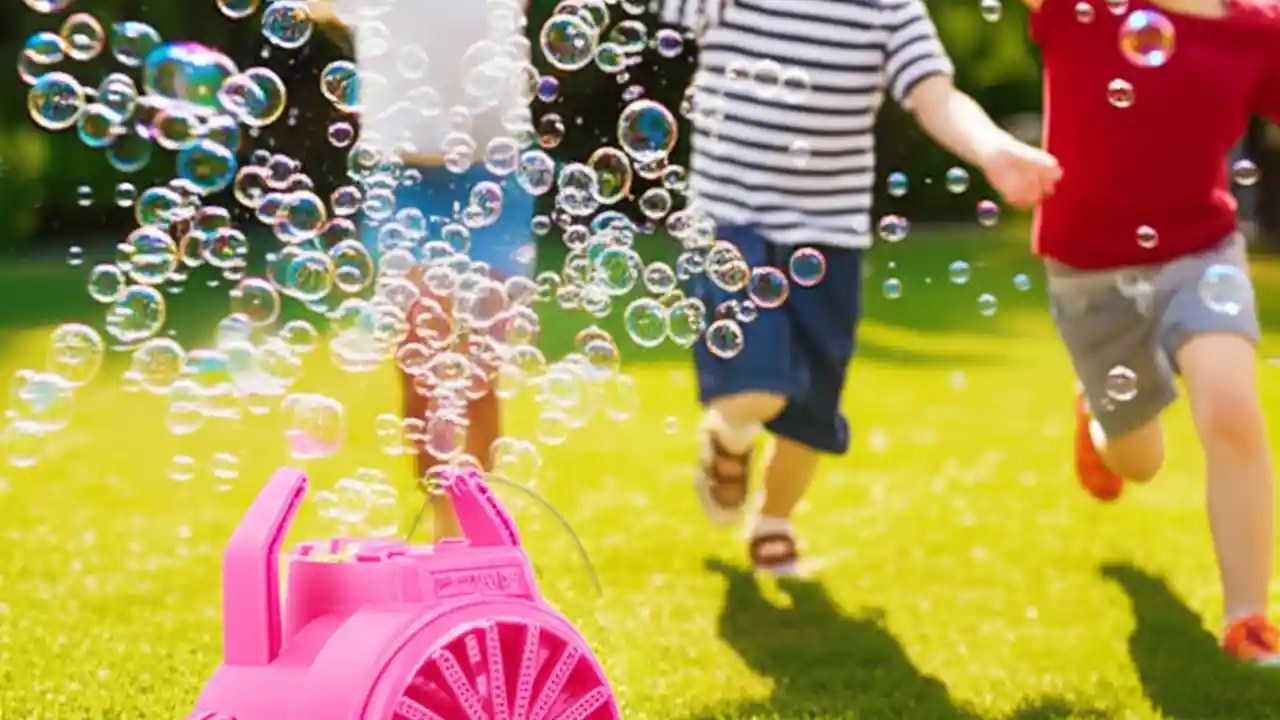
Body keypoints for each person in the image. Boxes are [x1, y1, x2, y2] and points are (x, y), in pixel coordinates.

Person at [653, 0, 1063, 574]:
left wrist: (992, 149)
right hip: (729, 219)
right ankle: (731, 436)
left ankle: (775, 519)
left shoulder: (890, 7)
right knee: (756, 386)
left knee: (814, 402)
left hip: (828, 232)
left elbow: (935, 94)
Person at [1020, 0, 1280, 662]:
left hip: (1201, 254)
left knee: (1230, 407)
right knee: (1140, 461)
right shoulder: (1076, 7)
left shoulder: (1257, 29)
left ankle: (1249, 616)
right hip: (1089, 271)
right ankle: (1097, 418)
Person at [312, 0, 535, 539]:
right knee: (419, 372)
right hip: (405, 176)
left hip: (492, 170)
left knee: (482, 370)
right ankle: (443, 525)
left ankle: (477, 527)